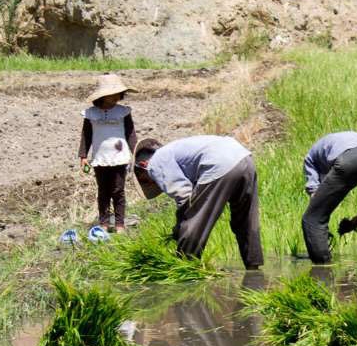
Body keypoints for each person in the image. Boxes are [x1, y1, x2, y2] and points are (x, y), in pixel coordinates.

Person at [133, 135, 263, 268]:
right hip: (244, 158)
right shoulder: (175, 150)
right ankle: (253, 266)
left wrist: (179, 228)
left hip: (219, 164)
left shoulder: (155, 163)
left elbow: (184, 197)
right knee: (245, 218)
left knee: (193, 222)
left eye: (144, 180)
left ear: (143, 165)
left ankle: (185, 268)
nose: (152, 182)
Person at [301, 131, 357, 264]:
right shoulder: (329, 148)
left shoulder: (310, 160)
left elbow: (316, 199)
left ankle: (323, 268)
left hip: (349, 158)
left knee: (311, 219)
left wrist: (321, 229)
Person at [77, 74, 137, 233]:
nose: (118, 95)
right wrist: (83, 156)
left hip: (120, 157)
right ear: (103, 96)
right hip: (100, 158)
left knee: (118, 191)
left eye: (119, 93)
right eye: (114, 93)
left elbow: (130, 133)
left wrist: (136, 152)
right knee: (103, 191)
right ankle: (103, 223)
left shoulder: (122, 112)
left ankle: (119, 224)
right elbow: (86, 135)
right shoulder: (91, 113)